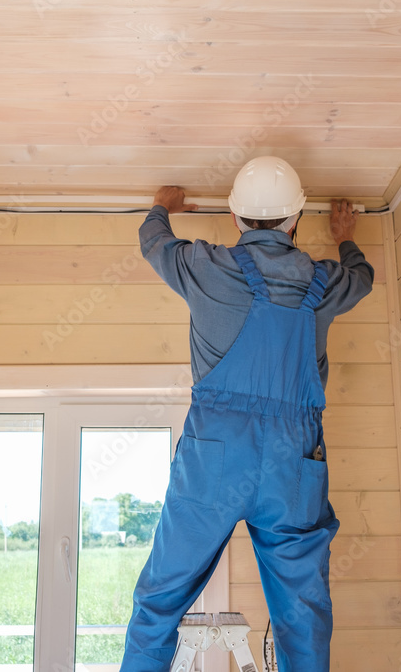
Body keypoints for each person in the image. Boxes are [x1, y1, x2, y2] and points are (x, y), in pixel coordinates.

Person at [121, 156, 375, 671]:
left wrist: (162, 205)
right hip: (294, 462)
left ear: (235, 219)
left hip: (215, 455)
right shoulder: (324, 283)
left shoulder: (204, 266)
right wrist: (345, 236)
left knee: (160, 600)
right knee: (302, 619)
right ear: (295, 219)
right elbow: (362, 277)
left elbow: (153, 242)